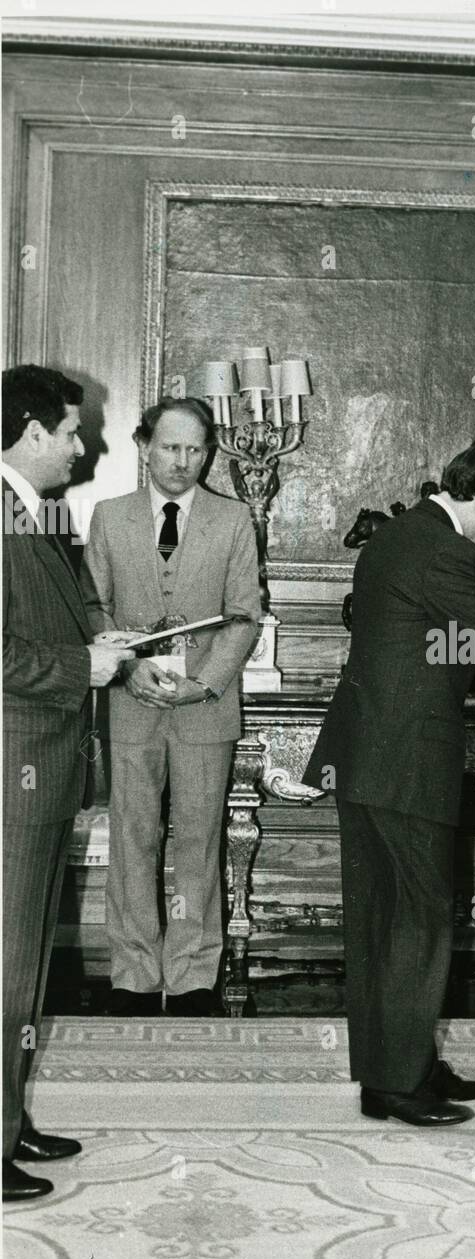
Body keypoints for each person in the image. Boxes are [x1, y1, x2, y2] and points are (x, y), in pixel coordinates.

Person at [303, 439, 475, 1127]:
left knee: (381, 917)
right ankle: (398, 1084)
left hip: (367, 752)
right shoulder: (446, 552)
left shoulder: (401, 536)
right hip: (404, 759)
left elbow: (450, 642)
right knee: (418, 919)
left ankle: (399, 1066)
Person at [80, 397, 261, 1018]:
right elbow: (93, 606)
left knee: (200, 840)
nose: (183, 461)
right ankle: (133, 974)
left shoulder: (234, 519)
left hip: (205, 709)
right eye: (170, 447)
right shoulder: (110, 517)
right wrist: (127, 667)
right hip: (130, 705)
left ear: (207, 453)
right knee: (132, 836)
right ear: (144, 446)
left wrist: (204, 683)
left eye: (195, 450)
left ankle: (191, 976)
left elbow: (244, 615)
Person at [2, 364, 135, 1202]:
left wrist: (98, 644)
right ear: (31, 432)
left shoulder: (30, 511)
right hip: (11, 775)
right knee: (4, 965)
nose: (82, 448)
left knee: (24, 967)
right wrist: (79, 666)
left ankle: (8, 1120)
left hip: (42, 771)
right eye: (71, 432)